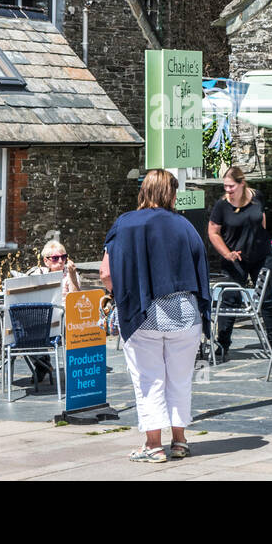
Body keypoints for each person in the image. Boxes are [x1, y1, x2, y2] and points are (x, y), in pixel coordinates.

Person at [101, 170, 211, 464]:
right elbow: (202, 271)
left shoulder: (125, 224)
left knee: (149, 380)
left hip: (143, 314)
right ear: (170, 194)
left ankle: (153, 445)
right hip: (185, 315)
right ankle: (179, 441)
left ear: (144, 192)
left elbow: (106, 274)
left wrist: (120, 292)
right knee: (180, 379)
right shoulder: (185, 225)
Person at [207, 165, 272, 358]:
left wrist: (256, 240)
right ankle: (223, 344)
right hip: (234, 258)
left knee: (267, 297)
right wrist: (227, 253)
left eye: (231, 186)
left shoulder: (257, 197)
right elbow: (213, 232)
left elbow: (261, 220)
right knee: (231, 299)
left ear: (242, 183)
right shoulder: (222, 205)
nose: (228, 190)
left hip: (262, 255)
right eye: (225, 186)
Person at [21, 239, 81, 383]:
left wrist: (72, 276)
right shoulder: (37, 273)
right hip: (40, 319)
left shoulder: (70, 274)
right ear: (46, 261)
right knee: (19, 330)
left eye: (63, 257)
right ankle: (41, 362)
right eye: (55, 258)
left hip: (63, 320)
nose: (60, 261)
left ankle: (42, 362)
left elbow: (77, 299)